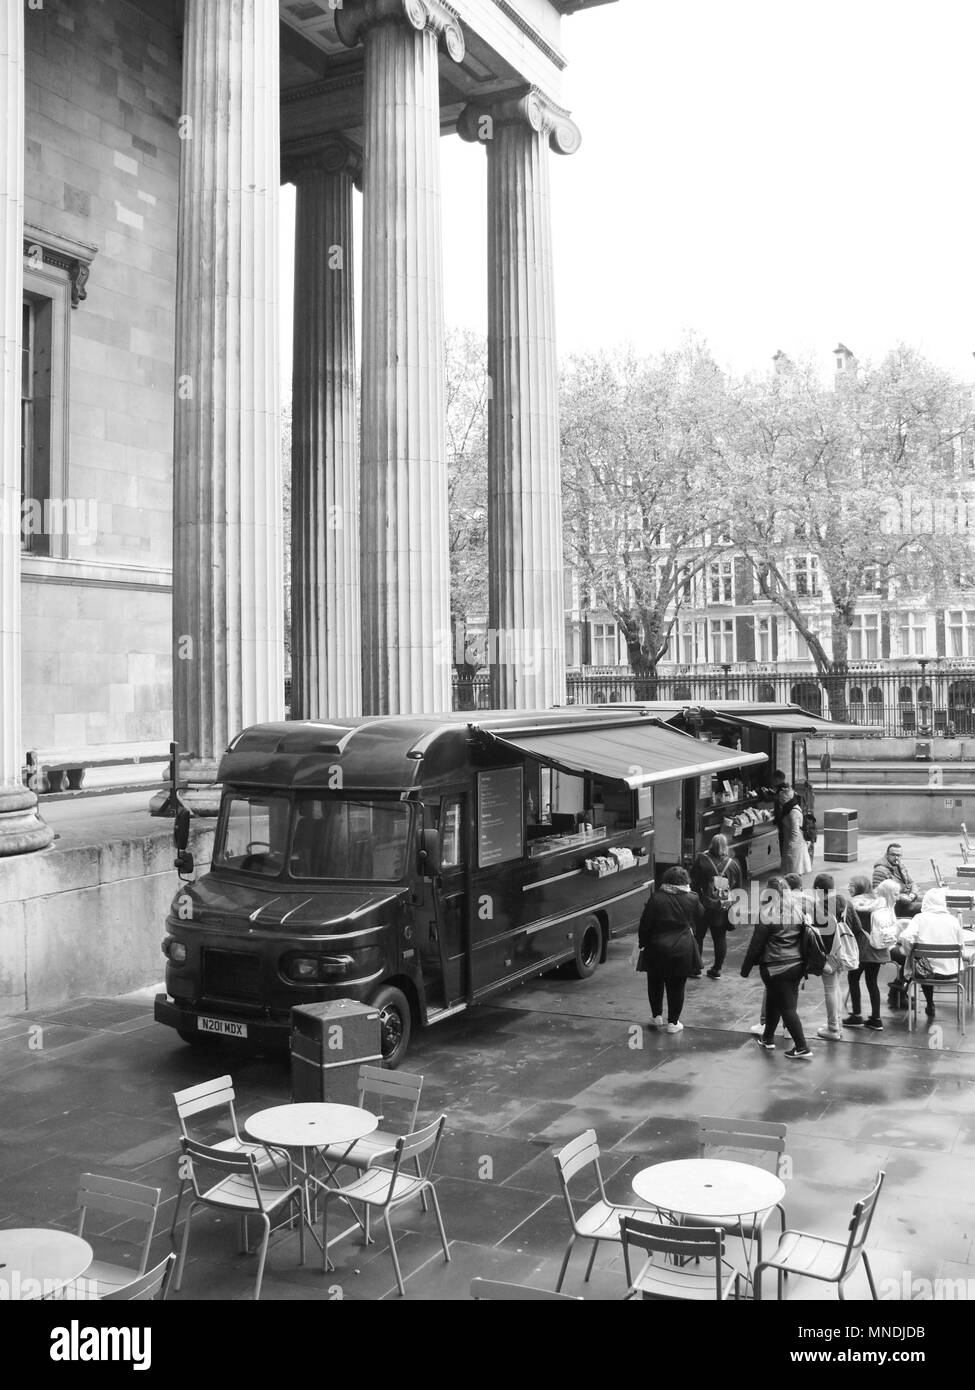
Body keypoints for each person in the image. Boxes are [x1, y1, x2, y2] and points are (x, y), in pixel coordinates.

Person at [740, 879, 814, 1060]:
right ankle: (767, 1038)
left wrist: (745, 969)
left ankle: (802, 1046)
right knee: (774, 999)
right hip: (797, 965)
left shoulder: (767, 913)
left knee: (786, 1007)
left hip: (775, 966)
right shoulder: (798, 910)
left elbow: (756, 945)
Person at [637, 866, 704, 1035]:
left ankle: (656, 1016)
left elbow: (645, 925)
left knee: (655, 983)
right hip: (682, 949)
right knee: (677, 987)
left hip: (656, 948)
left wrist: (642, 943)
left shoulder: (656, 898)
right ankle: (673, 1022)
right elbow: (701, 916)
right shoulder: (693, 898)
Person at [898, 888, 966, 1026]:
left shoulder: (920, 918)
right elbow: (961, 946)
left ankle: (929, 1003)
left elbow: (905, 937)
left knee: (923, 963)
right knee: (928, 963)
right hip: (951, 972)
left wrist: (909, 953)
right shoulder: (953, 920)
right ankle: (930, 1004)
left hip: (925, 973)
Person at [809, 872, 859, 1041]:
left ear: (817, 889)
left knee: (830, 988)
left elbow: (815, 936)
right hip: (843, 951)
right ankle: (836, 1023)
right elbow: (856, 927)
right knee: (836, 986)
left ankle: (833, 1028)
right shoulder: (845, 903)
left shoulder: (818, 909)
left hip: (828, 954)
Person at [690, 833, 744, 980]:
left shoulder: (702, 860)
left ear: (711, 845)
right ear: (725, 846)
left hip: (702, 904)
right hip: (721, 907)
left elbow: (693, 882)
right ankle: (717, 969)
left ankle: (696, 968)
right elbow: (738, 889)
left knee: (698, 936)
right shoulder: (733, 864)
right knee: (719, 938)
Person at [844, 875, 890, 1030]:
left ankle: (856, 1015)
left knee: (853, 978)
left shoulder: (853, 904)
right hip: (878, 947)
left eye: (851, 885)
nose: (848, 888)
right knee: (872, 982)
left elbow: (851, 927)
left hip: (862, 948)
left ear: (859, 887)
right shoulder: (879, 902)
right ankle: (876, 1019)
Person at [871, 843, 921, 918]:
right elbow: (879, 893)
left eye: (899, 855)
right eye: (893, 855)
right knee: (925, 907)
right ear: (887, 855)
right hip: (896, 906)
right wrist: (901, 897)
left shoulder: (900, 866)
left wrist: (913, 894)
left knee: (930, 902)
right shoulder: (880, 871)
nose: (896, 858)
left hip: (908, 899)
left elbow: (912, 882)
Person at [777, 783, 812, 877]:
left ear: (787, 799)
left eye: (782, 799)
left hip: (795, 847)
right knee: (793, 873)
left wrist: (790, 847)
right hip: (794, 844)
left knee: (793, 873)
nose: (780, 801)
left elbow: (794, 831)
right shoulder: (790, 808)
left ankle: (796, 890)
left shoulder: (793, 812)